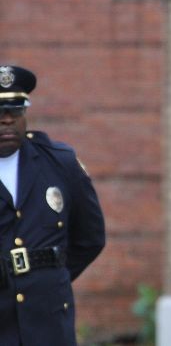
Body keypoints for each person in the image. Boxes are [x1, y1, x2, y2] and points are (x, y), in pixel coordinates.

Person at [0, 65, 106, 345]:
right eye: (0, 113)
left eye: (16, 111)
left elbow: (91, 237)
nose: (7, 120)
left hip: (48, 322)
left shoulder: (59, 163)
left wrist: (50, 279)